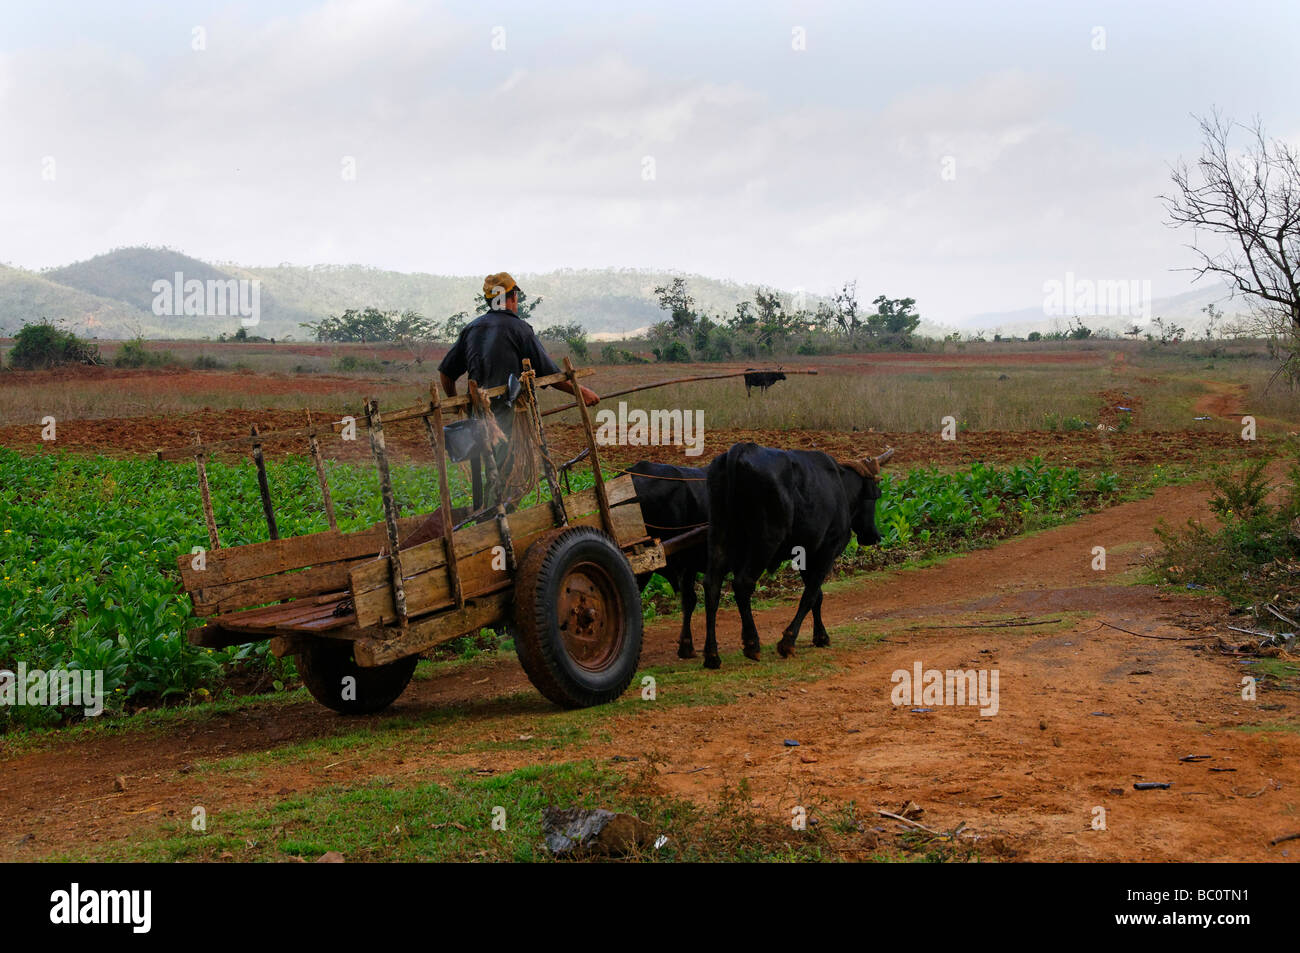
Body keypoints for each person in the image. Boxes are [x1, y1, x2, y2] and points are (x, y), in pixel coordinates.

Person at [438, 272, 598, 429]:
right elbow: (550, 374)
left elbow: (446, 373)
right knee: (513, 455)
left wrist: (458, 403)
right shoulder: (520, 329)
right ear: (513, 297)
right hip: (509, 419)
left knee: (483, 454)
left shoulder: (471, 329)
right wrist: (581, 392)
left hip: (478, 418)